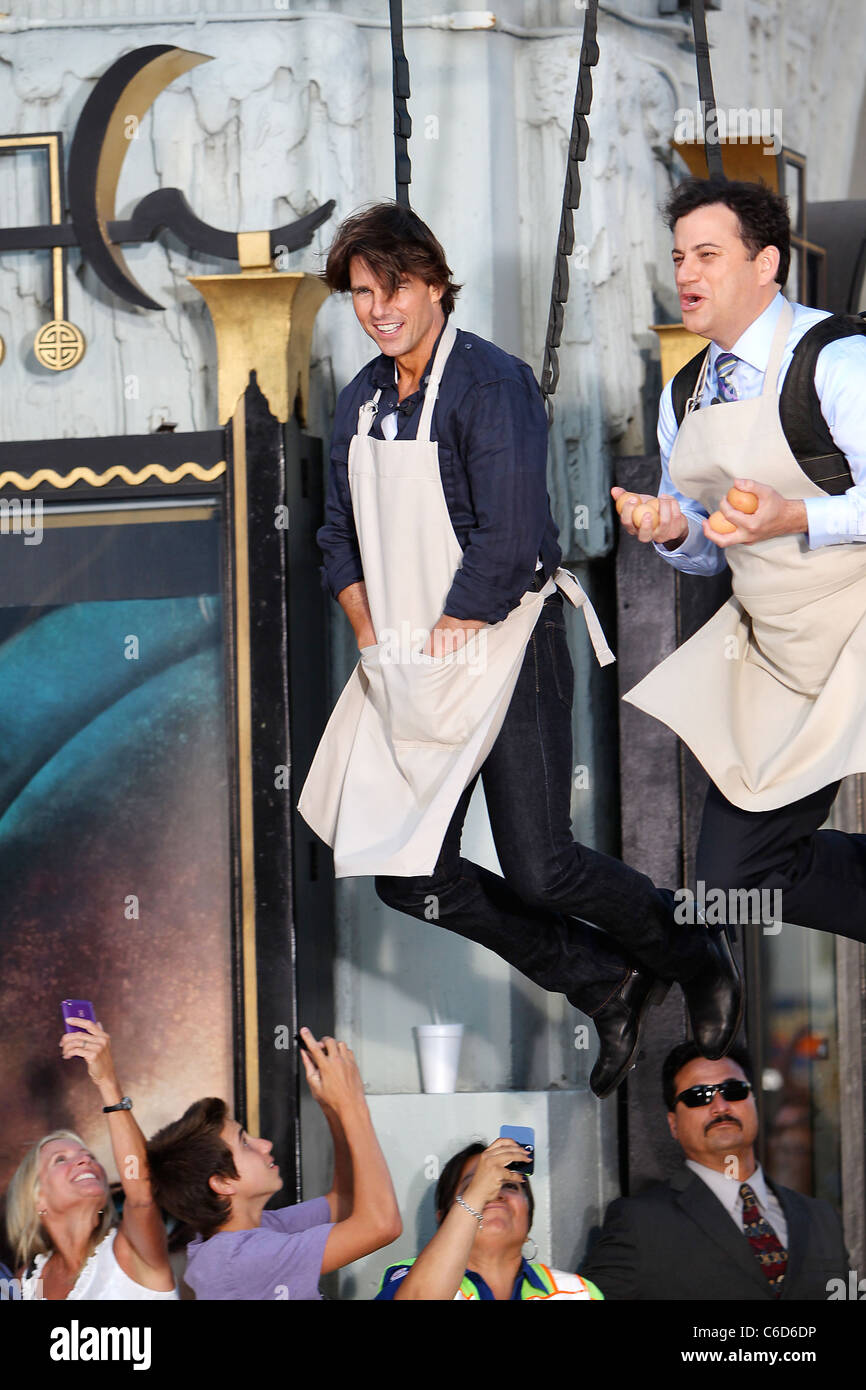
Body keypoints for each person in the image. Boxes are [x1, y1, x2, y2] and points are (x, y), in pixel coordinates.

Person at [298, 200, 740, 1100]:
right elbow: (337, 540)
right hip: (407, 661)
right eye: (359, 294)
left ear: (431, 285)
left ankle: (689, 948)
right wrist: (375, 638)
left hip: (507, 642)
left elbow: (507, 542)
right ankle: (603, 981)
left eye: (394, 288)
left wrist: (443, 639)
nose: (378, 309)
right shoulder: (362, 402)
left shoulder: (491, 386)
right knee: (406, 874)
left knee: (542, 865)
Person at [615, 175, 866, 950]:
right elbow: (700, 549)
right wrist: (669, 529)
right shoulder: (684, 392)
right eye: (679, 256)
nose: (686, 274)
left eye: (708, 255)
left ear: (766, 265)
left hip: (859, 624)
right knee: (731, 884)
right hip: (781, 653)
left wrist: (795, 515)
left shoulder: (838, 359)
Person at [579, 1042, 849, 1300]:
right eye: (698, 1096)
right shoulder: (639, 1223)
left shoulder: (821, 1217)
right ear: (673, 1124)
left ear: (754, 1101)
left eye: (734, 1090)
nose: (720, 1107)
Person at [147, 1028, 400, 1299]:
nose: (264, 1145)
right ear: (221, 1182)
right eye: (245, 1143)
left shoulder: (252, 1233)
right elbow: (382, 1225)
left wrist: (332, 1108)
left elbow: (344, 1200)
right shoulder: (240, 1259)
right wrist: (352, 1102)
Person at [6, 1015, 177, 1300]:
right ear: (37, 1198)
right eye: (60, 1159)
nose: (85, 1161)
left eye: (88, 1155)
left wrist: (107, 1082)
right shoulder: (26, 1280)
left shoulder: (131, 1249)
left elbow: (142, 1193)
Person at [375, 1137, 602, 1301]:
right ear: (444, 1219)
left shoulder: (579, 1291)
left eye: (510, 1185)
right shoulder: (412, 1275)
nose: (495, 1193)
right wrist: (476, 1197)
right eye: (474, 1185)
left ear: (529, 1219)